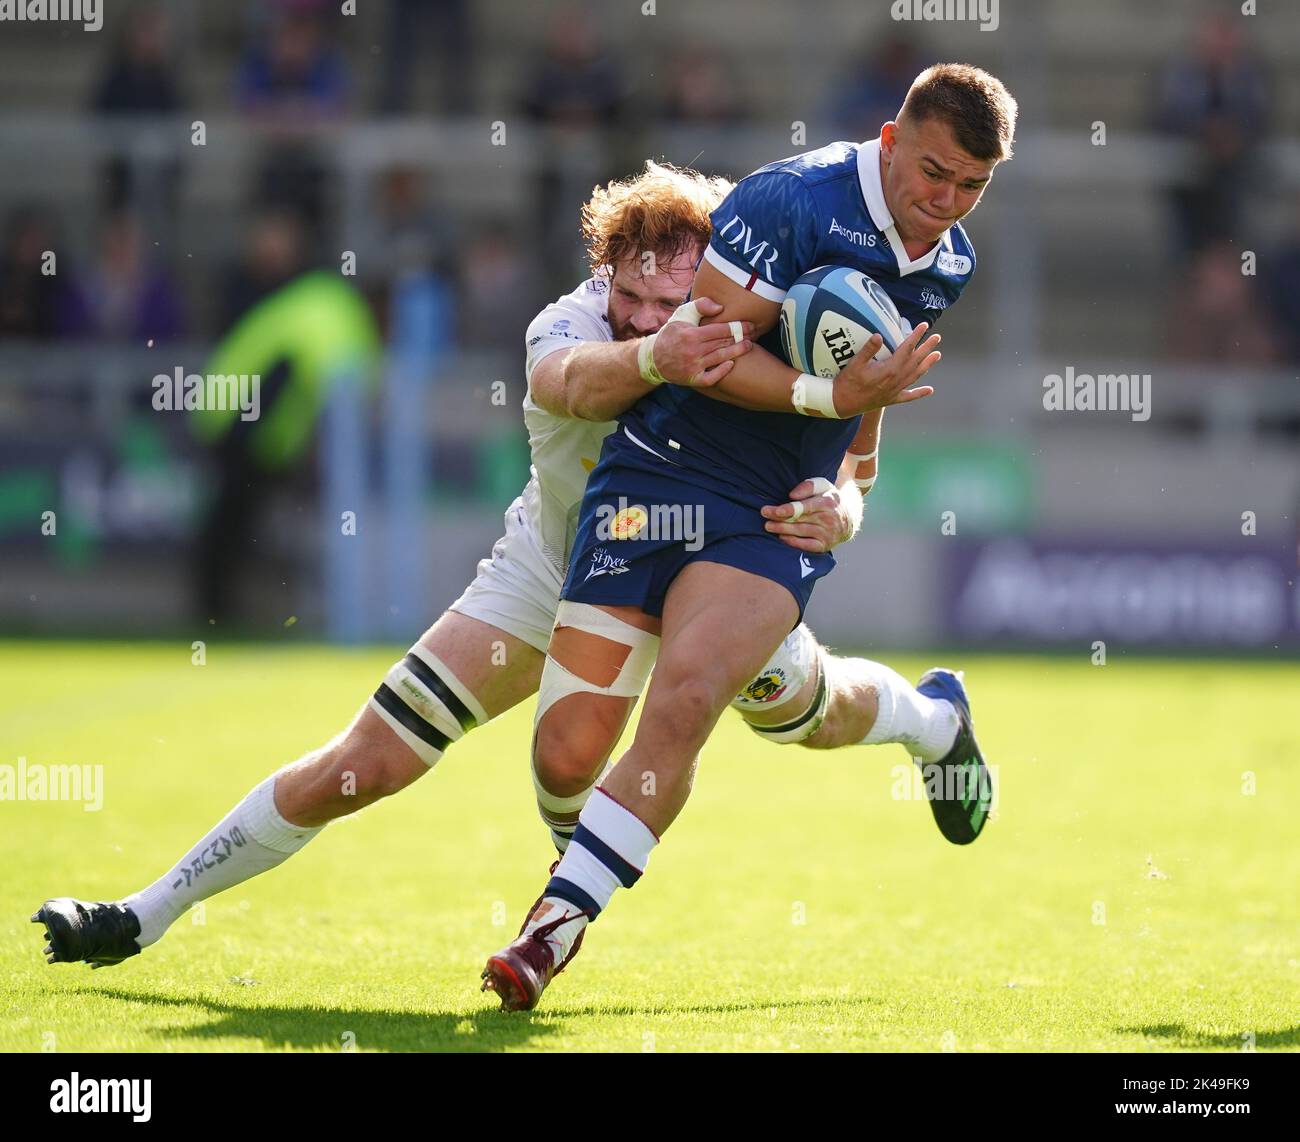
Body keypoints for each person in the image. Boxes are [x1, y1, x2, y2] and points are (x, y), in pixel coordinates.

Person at [30, 162, 910, 970]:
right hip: (555, 569)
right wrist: (654, 353)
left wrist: (844, 507)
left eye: (670, 298)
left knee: (812, 716)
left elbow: (850, 450)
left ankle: (930, 720)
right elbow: (573, 383)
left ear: (721, 284)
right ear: (608, 275)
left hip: (710, 580)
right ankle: (141, 914)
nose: (645, 313)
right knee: (366, 762)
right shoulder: (571, 322)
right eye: (631, 292)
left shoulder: (769, 330)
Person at [482, 63, 1017, 1012]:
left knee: (686, 698)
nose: (947, 202)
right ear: (891, 141)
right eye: (934, 172)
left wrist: (847, 499)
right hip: (657, 475)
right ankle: (934, 721)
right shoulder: (788, 201)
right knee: (568, 753)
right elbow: (709, 356)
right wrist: (829, 395)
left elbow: (870, 414)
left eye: (973, 184)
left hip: (771, 509)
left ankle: (548, 934)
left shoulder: (950, 263)